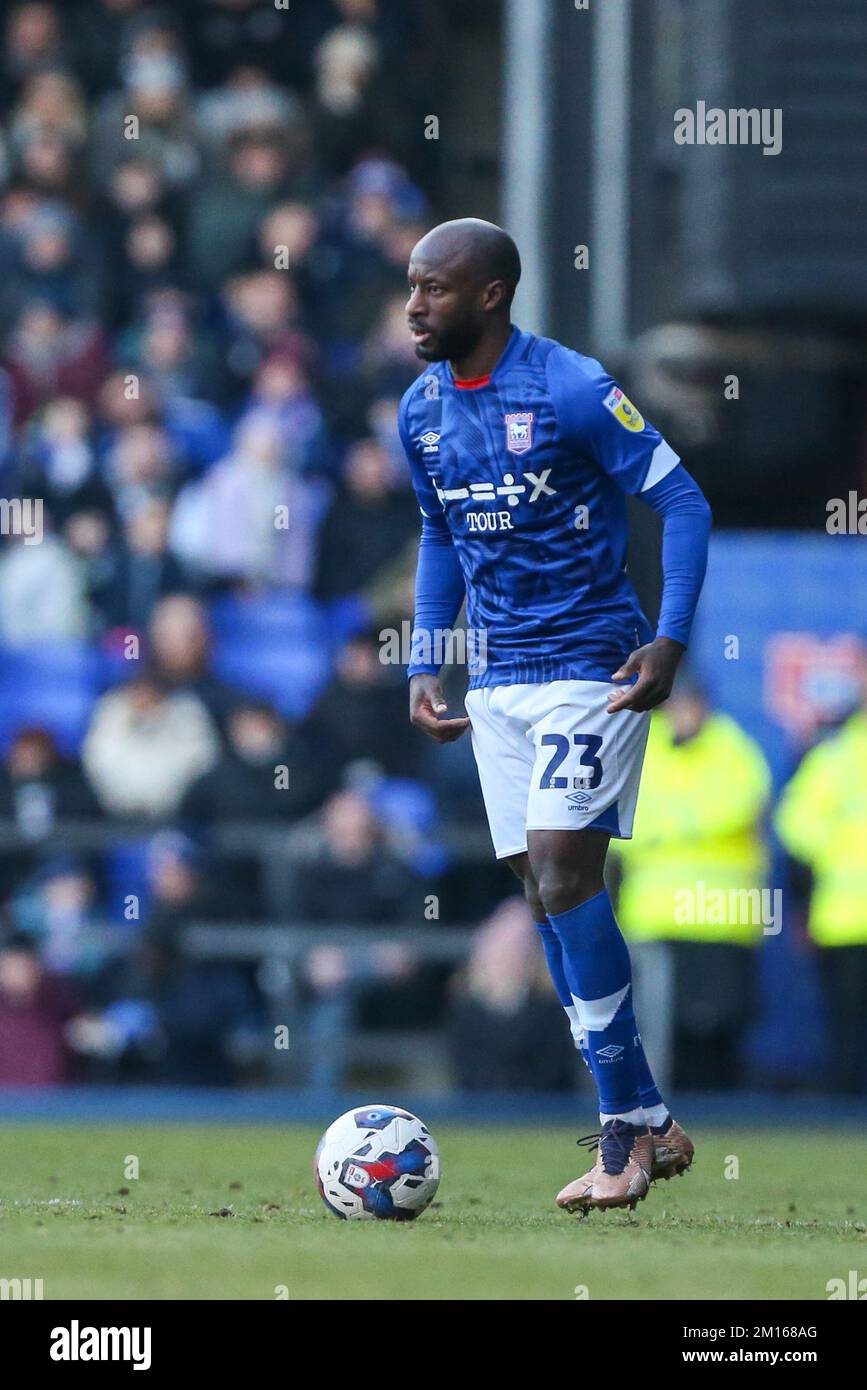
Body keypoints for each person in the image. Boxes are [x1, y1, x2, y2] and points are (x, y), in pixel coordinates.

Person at [401, 219, 712, 1213]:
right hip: (495, 679)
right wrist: (428, 656)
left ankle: (621, 1132)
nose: (415, 305)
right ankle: (651, 1118)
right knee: (540, 891)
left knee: (564, 868)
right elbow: (438, 534)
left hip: (593, 664)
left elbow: (686, 503)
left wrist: (667, 641)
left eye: (435, 289)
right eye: (411, 287)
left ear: (490, 296)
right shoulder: (418, 410)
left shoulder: (572, 386)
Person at [613, 674, 772, 1090]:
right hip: (654, 923)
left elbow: (740, 806)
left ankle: (723, 1122)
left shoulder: (733, 749)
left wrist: (667, 827)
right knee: (658, 1033)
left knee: (718, 1032)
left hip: (719, 921)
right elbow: (619, 821)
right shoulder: (643, 748)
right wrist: (689, 824)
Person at [775, 694, 867, 1094]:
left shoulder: (832, 759)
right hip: (841, 917)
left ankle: (847, 1117)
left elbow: (796, 829)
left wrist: (838, 846)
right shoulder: (832, 757)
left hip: (843, 916)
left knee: (848, 1023)